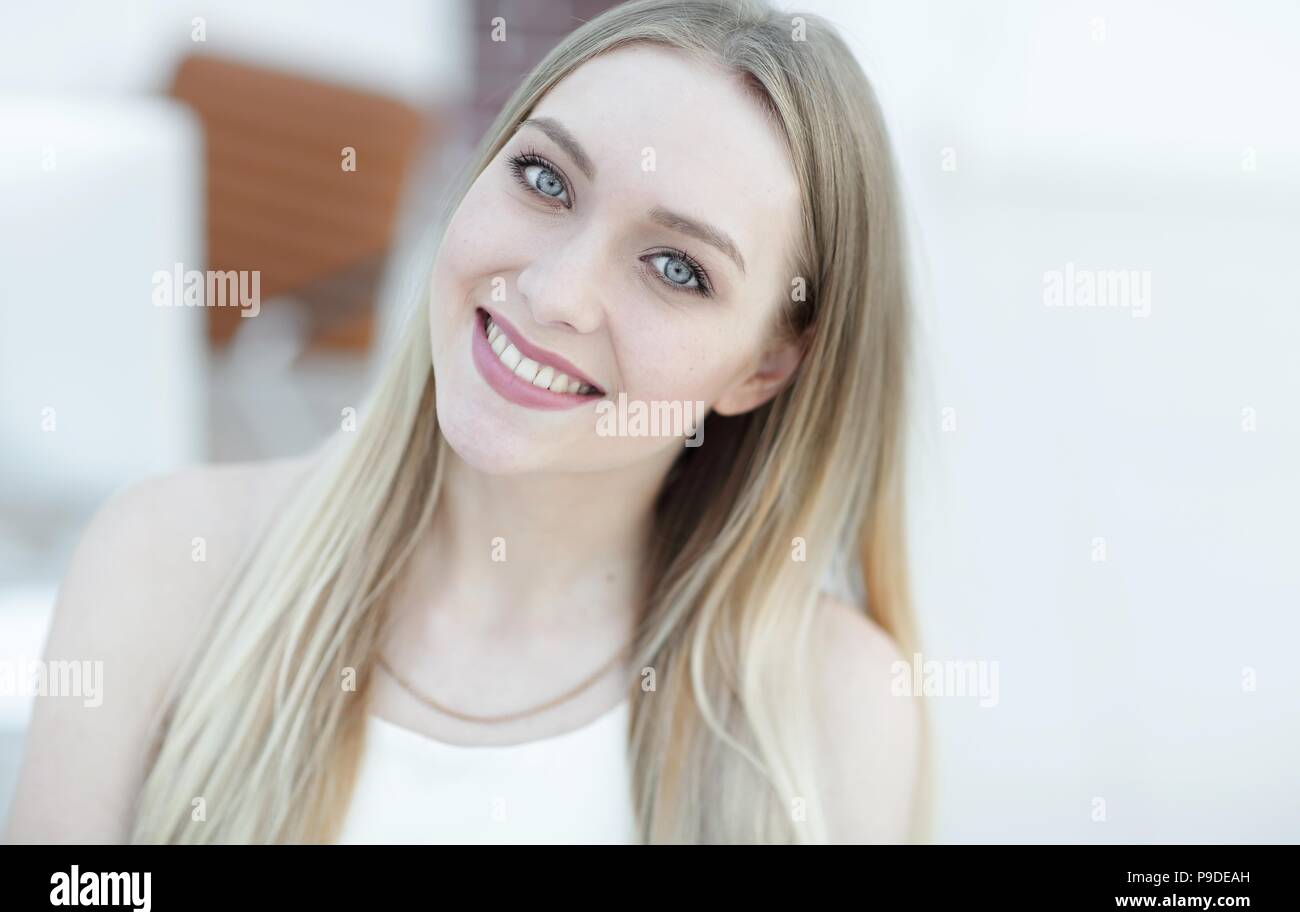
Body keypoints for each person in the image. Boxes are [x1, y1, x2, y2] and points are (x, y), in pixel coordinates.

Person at [6, 0, 924, 844]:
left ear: (766, 365)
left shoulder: (834, 703)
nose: (553, 290)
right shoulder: (166, 559)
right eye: (544, 178)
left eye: (677, 267)